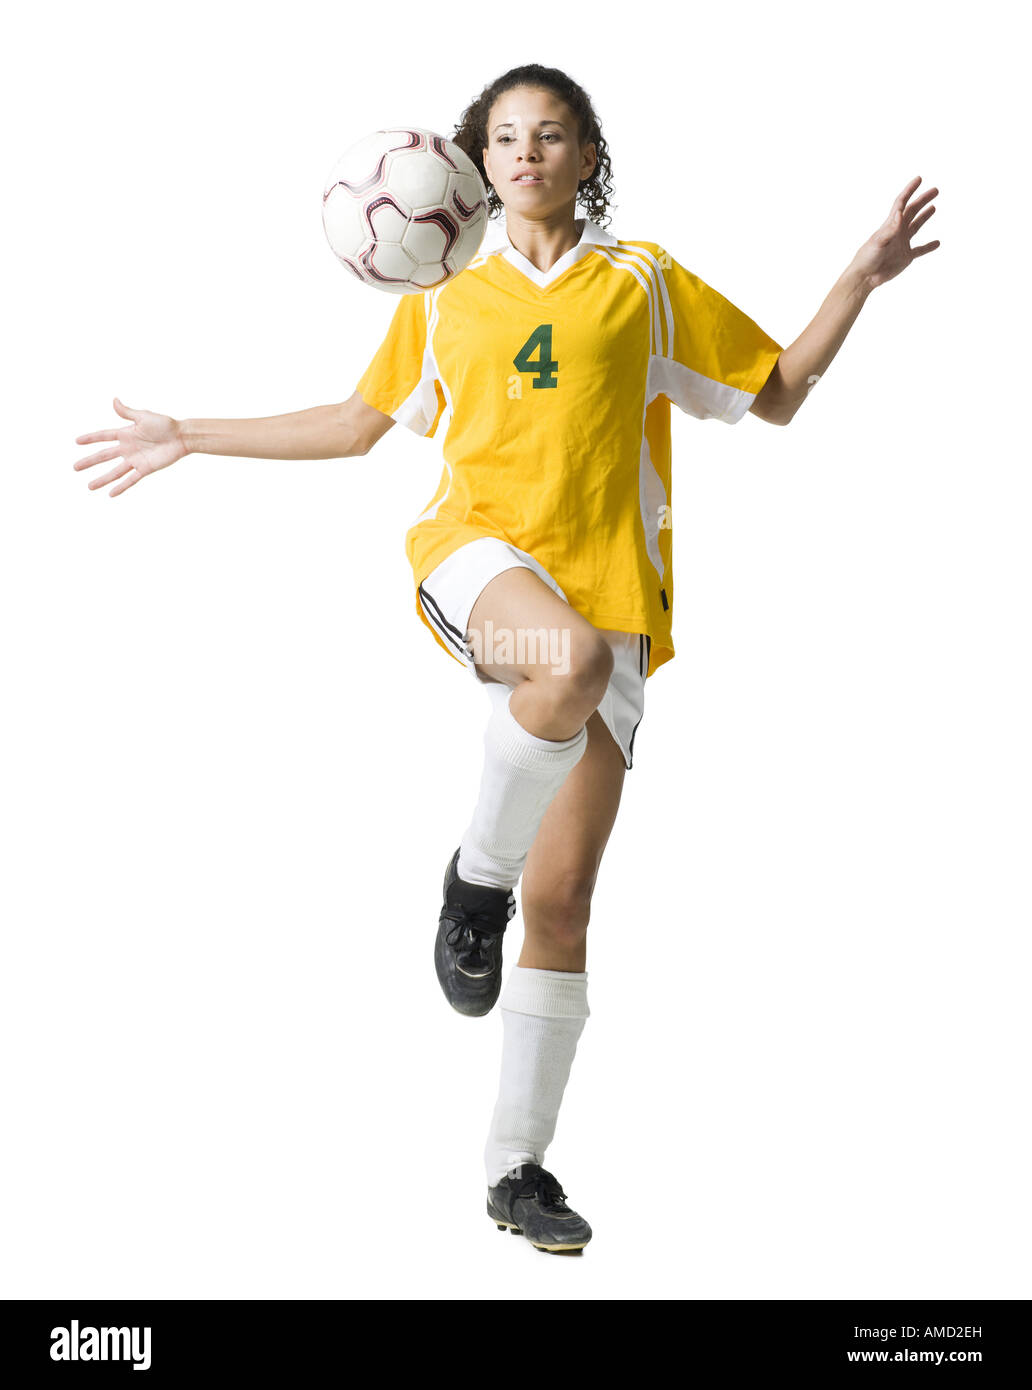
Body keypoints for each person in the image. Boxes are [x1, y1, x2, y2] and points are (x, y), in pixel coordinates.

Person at [73, 63, 940, 1257]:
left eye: (552, 133)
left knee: (565, 901)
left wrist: (860, 278)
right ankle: (474, 882)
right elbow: (356, 424)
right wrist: (191, 432)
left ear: (588, 155)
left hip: (615, 604)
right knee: (560, 663)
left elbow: (778, 391)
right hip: (477, 562)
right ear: (475, 165)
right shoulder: (444, 294)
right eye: (505, 136)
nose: (527, 151)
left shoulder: (644, 283)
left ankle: (516, 1168)